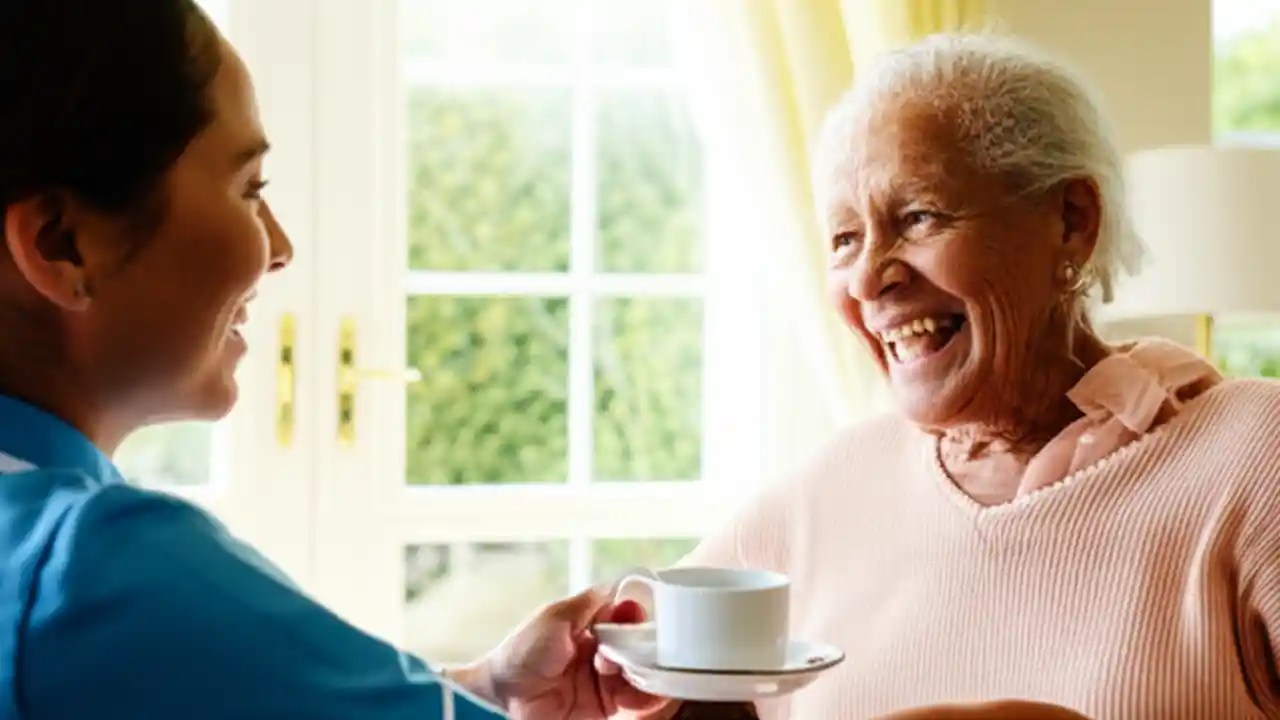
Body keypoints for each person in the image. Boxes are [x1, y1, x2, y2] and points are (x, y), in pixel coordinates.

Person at [0, 1, 662, 718]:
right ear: (62, 243)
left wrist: (487, 693)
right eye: (249, 189)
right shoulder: (98, 567)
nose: (278, 247)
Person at [611, 33, 1280, 719]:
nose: (870, 276)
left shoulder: (1255, 454)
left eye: (919, 216)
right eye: (844, 239)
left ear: (1072, 221)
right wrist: (520, 682)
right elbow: (640, 671)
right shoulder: (829, 489)